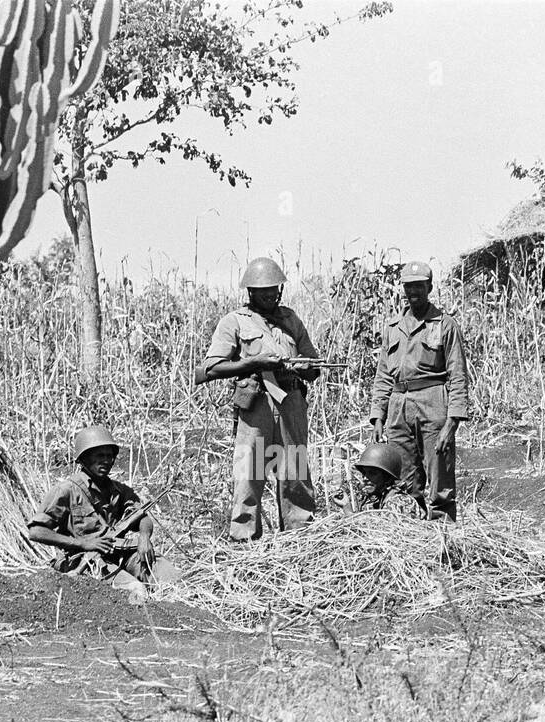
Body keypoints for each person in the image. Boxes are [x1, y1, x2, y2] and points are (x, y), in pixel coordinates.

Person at [199, 256, 321, 541]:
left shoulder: (291, 319)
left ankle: (298, 537)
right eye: (262, 290)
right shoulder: (234, 321)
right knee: (249, 475)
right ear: (250, 291)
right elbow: (210, 368)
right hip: (257, 407)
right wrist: (254, 363)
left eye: (274, 288)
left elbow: (314, 366)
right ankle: (244, 542)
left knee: (295, 470)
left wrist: (306, 367)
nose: (270, 294)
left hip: (291, 403)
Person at [368, 260, 470, 521]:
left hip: (433, 403)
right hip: (398, 407)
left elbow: (458, 375)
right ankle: (411, 535)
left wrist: (453, 421)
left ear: (430, 287)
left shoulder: (445, 325)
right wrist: (378, 415)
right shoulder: (392, 328)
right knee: (403, 480)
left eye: (419, 287)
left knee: (440, 479)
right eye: (409, 287)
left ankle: (443, 537)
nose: (414, 292)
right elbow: (383, 375)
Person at [26, 425, 175, 602]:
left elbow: (141, 516)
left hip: (117, 552)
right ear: (84, 459)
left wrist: (144, 537)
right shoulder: (66, 490)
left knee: (171, 578)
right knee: (136, 591)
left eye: (109, 456)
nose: (106, 461)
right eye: (99, 456)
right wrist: (81, 543)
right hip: (85, 560)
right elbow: (36, 531)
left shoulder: (119, 490)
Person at [330, 442, 425, 515]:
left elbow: (381, 535)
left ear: (387, 477)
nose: (365, 478)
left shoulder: (398, 502)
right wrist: (346, 506)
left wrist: (349, 513)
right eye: (364, 473)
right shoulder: (380, 501)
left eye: (372, 473)